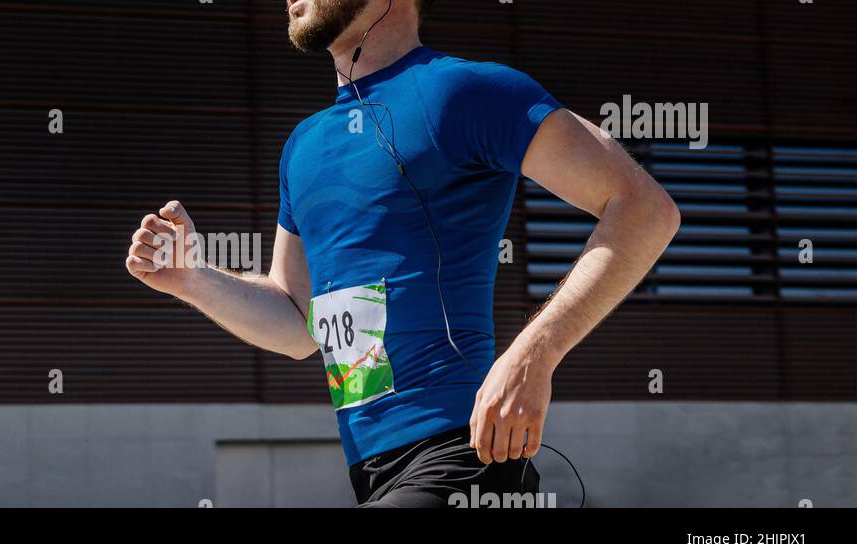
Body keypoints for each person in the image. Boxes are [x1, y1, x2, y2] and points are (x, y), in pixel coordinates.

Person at [124, 0, 680, 507]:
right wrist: (192, 279)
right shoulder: (303, 145)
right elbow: (299, 323)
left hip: (466, 458)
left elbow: (644, 208)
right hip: (372, 472)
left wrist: (537, 351)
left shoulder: (466, 91)